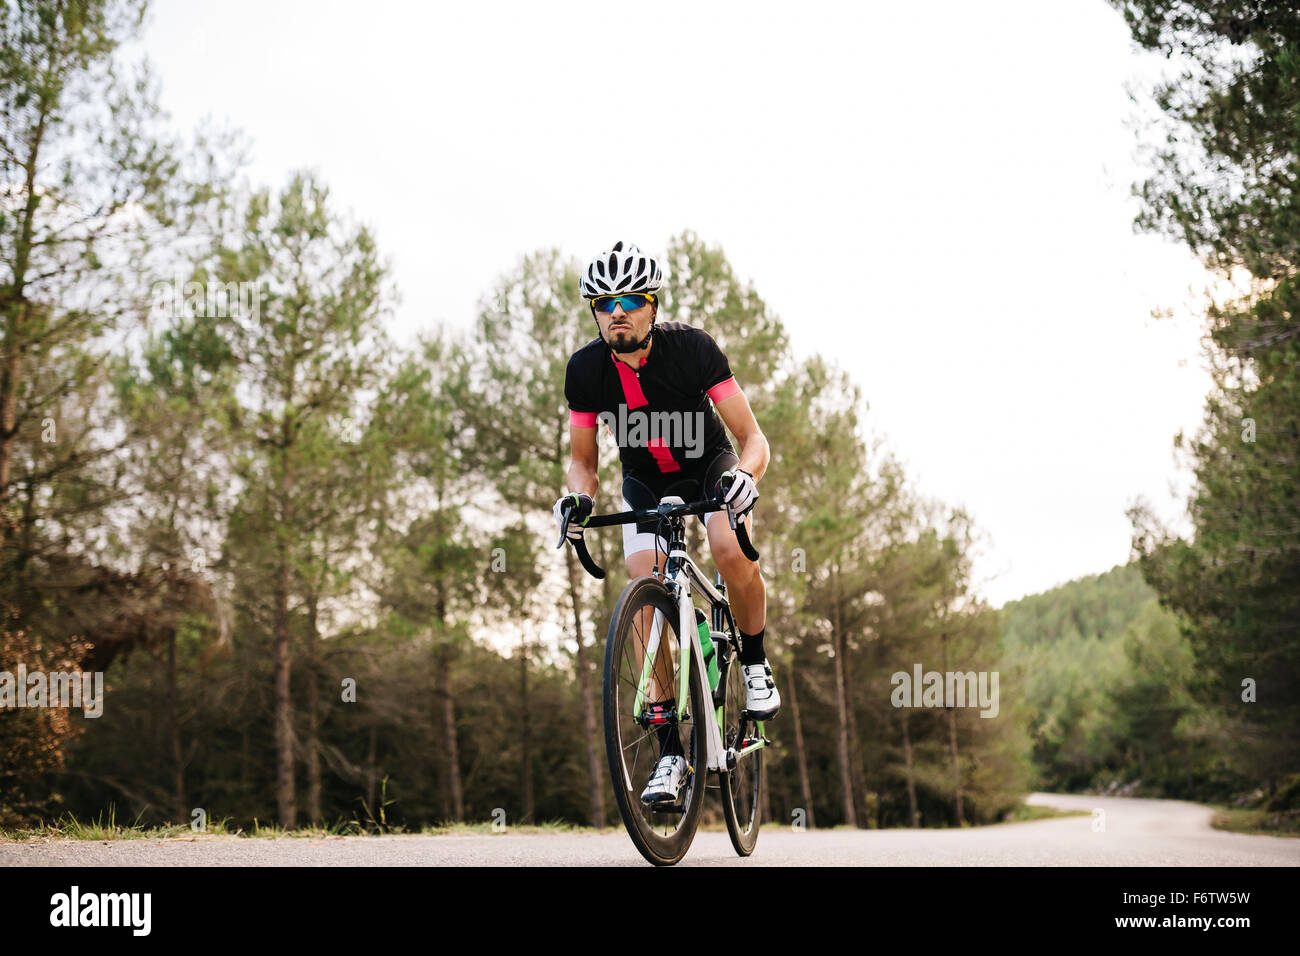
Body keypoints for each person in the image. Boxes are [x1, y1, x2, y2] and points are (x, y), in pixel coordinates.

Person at [553, 240, 779, 806]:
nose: (618, 312)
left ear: (653, 305)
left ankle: (753, 661)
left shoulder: (693, 349)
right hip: (646, 486)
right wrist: (576, 499)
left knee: (729, 551)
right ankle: (670, 755)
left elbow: (754, 440)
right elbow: (584, 463)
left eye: (630, 298)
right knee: (643, 593)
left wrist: (745, 476)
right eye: (604, 303)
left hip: (711, 471)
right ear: (594, 314)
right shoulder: (585, 371)